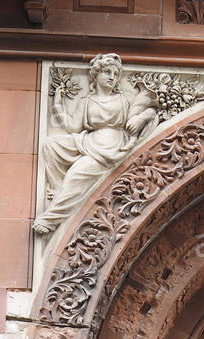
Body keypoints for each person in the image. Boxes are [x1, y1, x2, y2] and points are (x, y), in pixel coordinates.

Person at [33, 53, 157, 236]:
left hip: (114, 147)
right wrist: (58, 105)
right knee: (50, 145)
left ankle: (50, 218)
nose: (111, 77)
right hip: (90, 144)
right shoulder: (86, 101)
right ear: (96, 75)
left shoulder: (124, 99)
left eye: (115, 74)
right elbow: (72, 126)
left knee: (76, 176)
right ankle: (60, 194)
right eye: (107, 72)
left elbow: (151, 111)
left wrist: (140, 118)